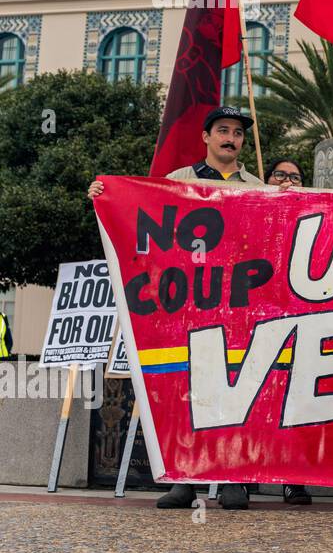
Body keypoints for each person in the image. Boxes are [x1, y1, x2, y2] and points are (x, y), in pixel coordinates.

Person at [88, 106, 291, 511]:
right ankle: (184, 481)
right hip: (188, 306)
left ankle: (234, 480)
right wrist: (103, 195)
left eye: (237, 132)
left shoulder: (257, 185)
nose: (230, 138)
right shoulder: (178, 181)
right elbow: (143, 219)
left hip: (238, 305)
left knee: (237, 393)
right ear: (206, 137)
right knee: (185, 392)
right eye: (222, 130)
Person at [264, 159, 314, 506]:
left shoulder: (314, 214)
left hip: (299, 318)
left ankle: (292, 478)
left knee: (294, 401)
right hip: (257, 315)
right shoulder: (252, 197)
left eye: (295, 176)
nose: (287, 181)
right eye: (280, 175)